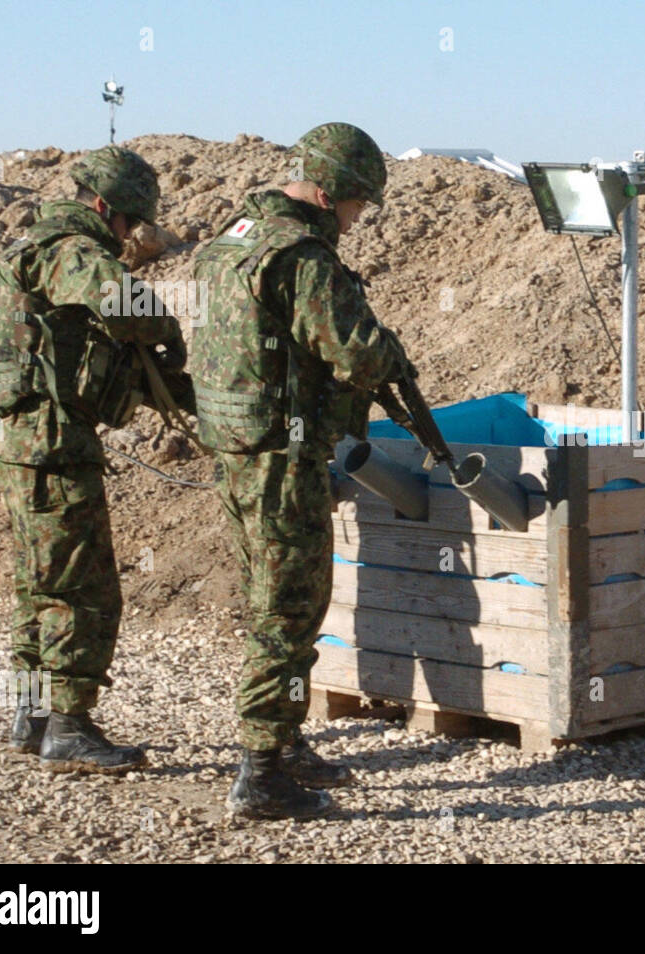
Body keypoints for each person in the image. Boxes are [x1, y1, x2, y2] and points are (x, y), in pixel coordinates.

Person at [191, 123, 412, 819]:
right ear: (328, 192)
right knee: (286, 609)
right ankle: (261, 774)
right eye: (355, 206)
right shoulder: (302, 255)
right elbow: (353, 352)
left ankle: (283, 744)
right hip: (281, 462)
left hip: (235, 446)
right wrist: (389, 355)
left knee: (277, 598)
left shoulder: (231, 238)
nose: (356, 219)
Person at [0, 145, 188, 773]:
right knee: (85, 589)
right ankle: (68, 727)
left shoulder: (26, 248)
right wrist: (167, 335)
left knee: (39, 582)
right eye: (127, 222)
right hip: (53, 443)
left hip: (23, 443)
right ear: (104, 208)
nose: (128, 236)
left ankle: (33, 714)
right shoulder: (73, 250)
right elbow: (128, 305)